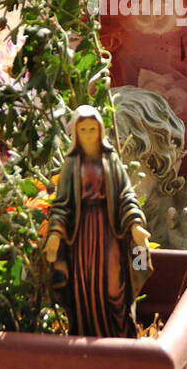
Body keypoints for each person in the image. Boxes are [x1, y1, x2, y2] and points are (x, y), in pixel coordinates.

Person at [45, 106, 150, 337]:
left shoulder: (110, 161)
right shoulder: (72, 165)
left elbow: (125, 195)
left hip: (109, 231)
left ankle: (121, 336)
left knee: (115, 287)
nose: (89, 134)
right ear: (76, 132)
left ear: (100, 130)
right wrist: (54, 234)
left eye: (93, 129)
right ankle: (87, 335)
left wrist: (135, 225)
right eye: (83, 130)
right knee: (84, 289)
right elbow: (61, 204)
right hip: (81, 237)